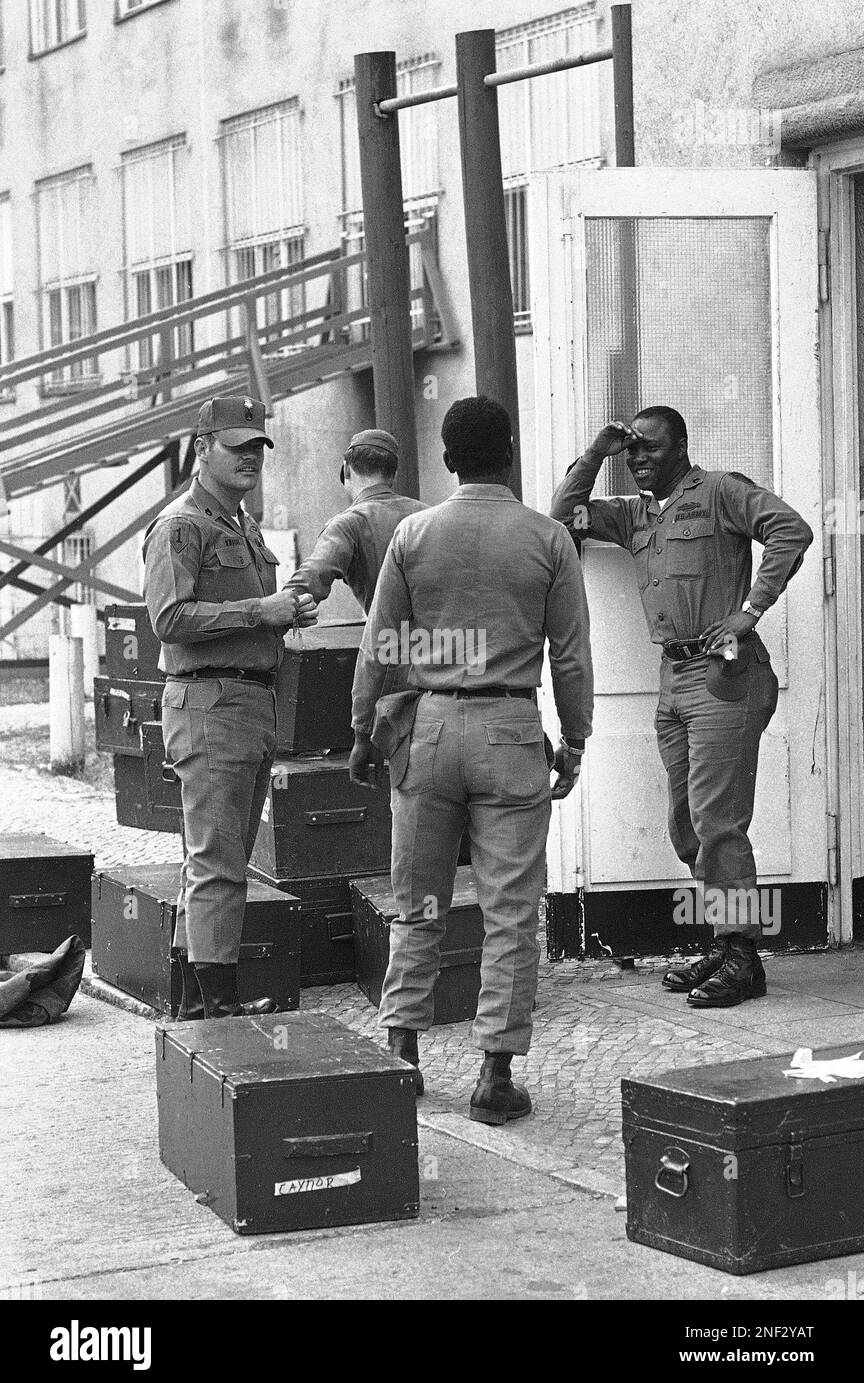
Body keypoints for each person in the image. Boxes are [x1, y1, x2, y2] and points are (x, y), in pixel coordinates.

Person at [349, 396, 593, 1124]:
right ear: (510, 452)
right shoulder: (548, 539)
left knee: (417, 899)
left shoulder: (415, 535)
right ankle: (494, 1071)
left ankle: (401, 1051)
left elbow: (380, 644)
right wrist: (573, 739)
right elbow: (571, 656)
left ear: (449, 461)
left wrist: (364, 731)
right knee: (510, 912)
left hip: (426, 730)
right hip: (512, 729)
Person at [550, 407, 813, 1008]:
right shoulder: (635, 513)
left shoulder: (719, 490)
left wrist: (750, 609)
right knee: (689, 825)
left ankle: (744, 956)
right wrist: (595, 453)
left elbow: (791, 531)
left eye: (651, 448)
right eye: (631, 451)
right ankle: (725, 943)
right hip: (673, 675)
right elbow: (561, 518)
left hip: (726, 675)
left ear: (682, 448)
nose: (639, 459)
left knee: (720, 823)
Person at [142, 395, 318, 1020]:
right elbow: (168, 619)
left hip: (246, 703)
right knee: (219, 863)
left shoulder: (240, 525)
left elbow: (240, 616)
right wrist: (259, 612)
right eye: (237, 446)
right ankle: (216, 1004)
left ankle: (198, 997)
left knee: (222, 859)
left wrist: (283, 616)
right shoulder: (181, 525)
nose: (250, 459)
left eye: (257, 449)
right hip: (210, 703)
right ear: (202, 447)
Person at [284, 428, 426, 614]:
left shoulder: (347, 524)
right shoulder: (428, 514)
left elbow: (313, 577)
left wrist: (276, 609)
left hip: (389, 638)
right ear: (394, 475)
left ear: (346, 469)